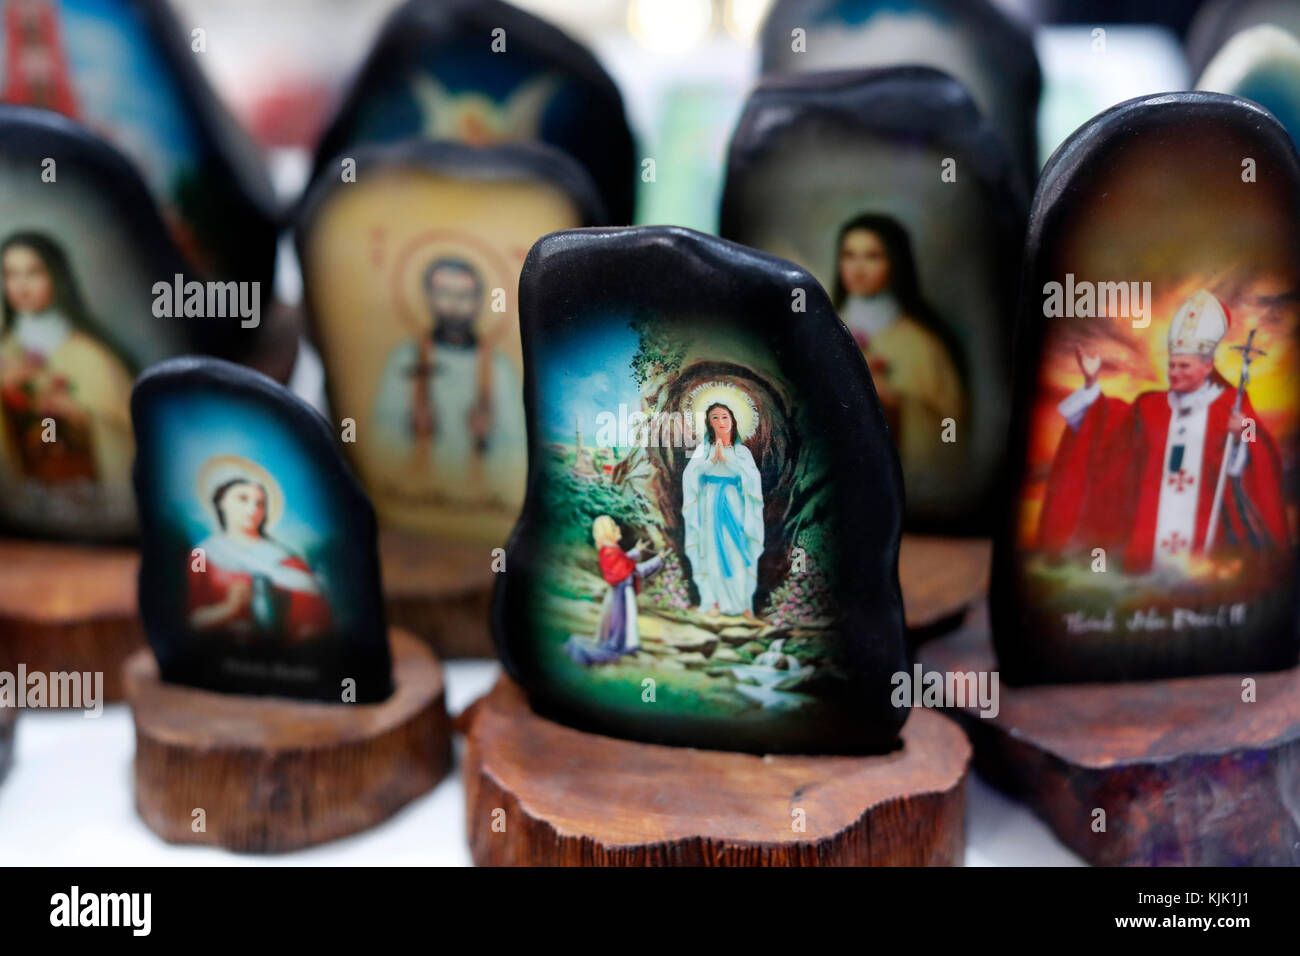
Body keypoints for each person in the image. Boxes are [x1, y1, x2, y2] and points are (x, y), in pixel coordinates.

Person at [1036, 290, 1288, 573]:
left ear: (1207, 367)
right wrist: (1092, 382)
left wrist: (1244, 431)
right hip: (1148, 542)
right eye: (1171, 365)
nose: (1174, 373)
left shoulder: (1227, 406)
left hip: (1207, 540)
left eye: (1184, 366)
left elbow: (1261, 452)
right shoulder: (1150, 406)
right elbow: (1107, 428)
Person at [0, 231, 133, 521]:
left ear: (56, 277)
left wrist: (78, 413)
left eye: (33, 272)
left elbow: (123, 425)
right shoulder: (5, 353)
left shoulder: (91, 355)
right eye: (11, 274)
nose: (21, 285)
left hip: (82, 490)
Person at [371, 256, 525, 504]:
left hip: (481, 501)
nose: (454, 306)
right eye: (444, 294)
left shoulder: (499, 367)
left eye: (464, 296)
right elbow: (380, 437)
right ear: (428, 297)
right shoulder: (404, 359)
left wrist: (486, 438)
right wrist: (413, 427)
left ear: (478, 302)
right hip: (416, 495)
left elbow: (517, 450)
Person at [833, 213, 963, 483]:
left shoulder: (922, 344)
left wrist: (896, 406)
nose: (857, 269)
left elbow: (952, 432)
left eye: (872, 257)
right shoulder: (821, 329)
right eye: (849, 255)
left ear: (895, 262)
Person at [188, 462, 332, 643]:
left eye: (260, 503)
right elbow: (192, 619)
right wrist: (229, 609)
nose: (253, 510)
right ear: (221, 501)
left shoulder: (286, 559)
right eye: (242, 498)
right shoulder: (200, 555)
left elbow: (317, 618)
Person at [682, 401, 764, 617]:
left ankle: (743, 602)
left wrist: (727, 461)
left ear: (733, 420)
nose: (721, 421)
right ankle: (715, 601)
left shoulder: (742, 452)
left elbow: (752, 479)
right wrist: (712, 461)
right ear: (709, 423)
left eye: (725, 416)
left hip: (736, 504)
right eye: (715, 417)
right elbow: (690, 477)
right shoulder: (704, 450)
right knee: (711, 550)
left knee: (738, 550)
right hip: (709, 506)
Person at [566, 515, 662, 664]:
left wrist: (637, 551)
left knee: (620, 624)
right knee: (619, 624)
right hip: (621, 595)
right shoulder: (610, 552)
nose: (617, 528)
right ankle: (613, 648)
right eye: (613, 526)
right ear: (607, 532)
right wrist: (657, 560)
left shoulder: (611, 551)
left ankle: (619, 645)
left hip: (620, 593)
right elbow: (631, 568)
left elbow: (624, 561)